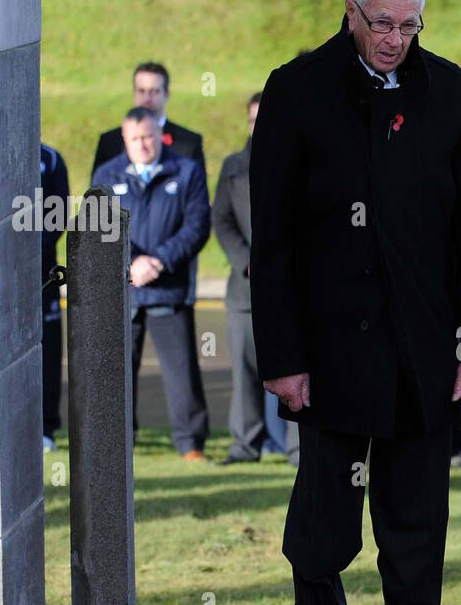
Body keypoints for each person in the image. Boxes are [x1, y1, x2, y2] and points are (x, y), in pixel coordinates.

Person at [250, 0, 461, 605]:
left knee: (417, 531)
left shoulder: (449, 89)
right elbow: (275, 241)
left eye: (410, 25)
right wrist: (285, 360)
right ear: (352, 14)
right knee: (320, 538)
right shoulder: (296, 90)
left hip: (424, 361)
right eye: (384, 23)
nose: (396, 39)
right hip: (328, 362)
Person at [92, 107, 211, 460]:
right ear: (125, 140)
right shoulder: (106, 174)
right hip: (123, 290)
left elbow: (197, 226)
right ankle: (117, 443)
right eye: (134, 139)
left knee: (181, 374)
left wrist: (158, 261)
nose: (142, 144)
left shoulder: (186, 171)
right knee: (117, 373)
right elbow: (100, 227)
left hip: (168, 288)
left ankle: (190, 445)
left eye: (148, 137)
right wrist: (131, 263)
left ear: (159, 135)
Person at [213, 92, 294, 465]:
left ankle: (298, 448)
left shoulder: (300, 160)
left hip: (294, 287)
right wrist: (246, 260)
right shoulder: (232, 167)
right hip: (245, 289)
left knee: (298, 368)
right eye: (252, 120)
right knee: (245, 373)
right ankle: (245, 446)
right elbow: (222, 221)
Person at [92, 62, 206, 179]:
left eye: (154, 91)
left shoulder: (189, 143)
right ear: (134, 93)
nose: (147, 98)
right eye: (141, 91)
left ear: (166, 94)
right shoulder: (110, 143)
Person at [40, 143, 69, 451]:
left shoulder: (49, 159)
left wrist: (32, 249)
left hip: (42, 270)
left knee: (48, 349)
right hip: (1, 269)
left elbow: (57, 214)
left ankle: (47, 426)